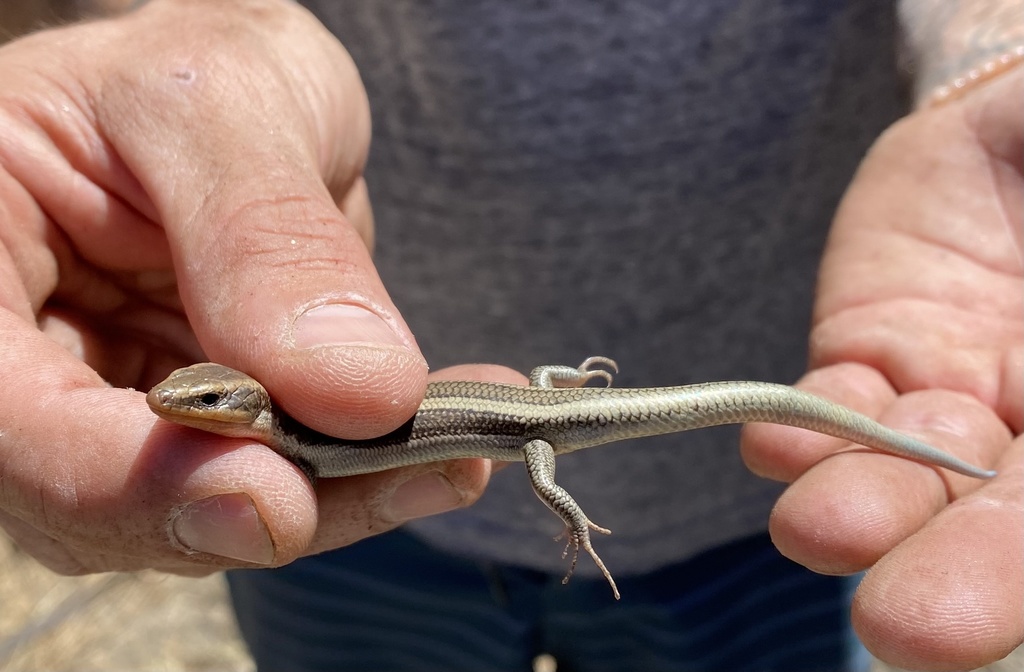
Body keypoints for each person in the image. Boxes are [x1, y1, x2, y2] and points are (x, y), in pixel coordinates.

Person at [0, 0, 1020, 670]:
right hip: (370, 572)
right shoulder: (277, 432)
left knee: (543, 467)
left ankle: (571, 517)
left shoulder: (292, 433)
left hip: (733, 541)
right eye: (196, 399)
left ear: (246, 402)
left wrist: (994, 58)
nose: (190, 407)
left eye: (209, 398)